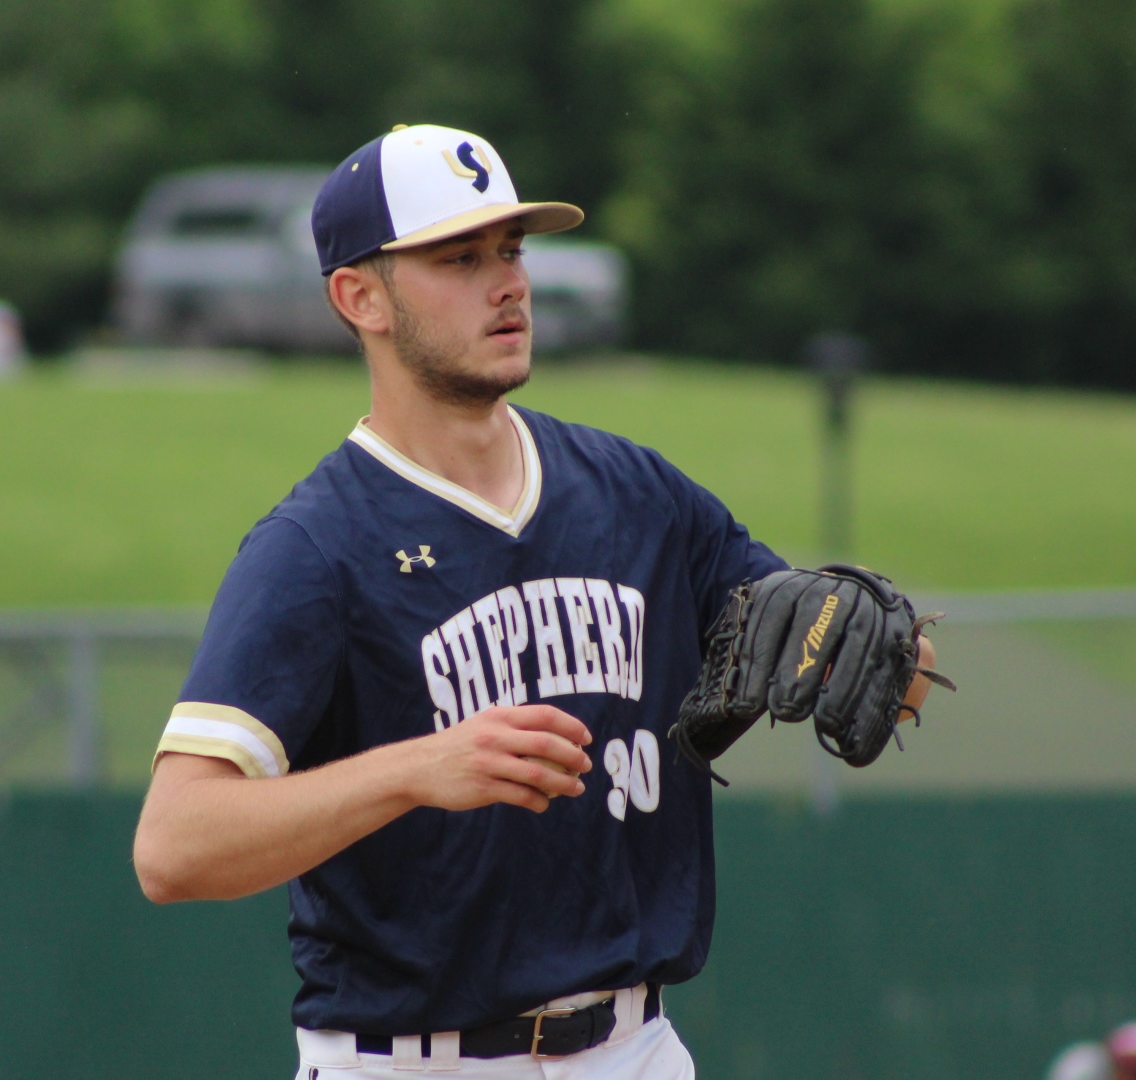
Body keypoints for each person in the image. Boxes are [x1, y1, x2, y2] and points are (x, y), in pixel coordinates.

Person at [131, 122, 936, 1078]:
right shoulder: (316, 548)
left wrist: (884, 649)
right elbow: (173, 849)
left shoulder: (637, 494)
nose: (508, 283)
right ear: (359, 297)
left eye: (510, 250)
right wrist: (417, 770)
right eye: (459, 258)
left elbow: (891, 684)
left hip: (634, 1051)